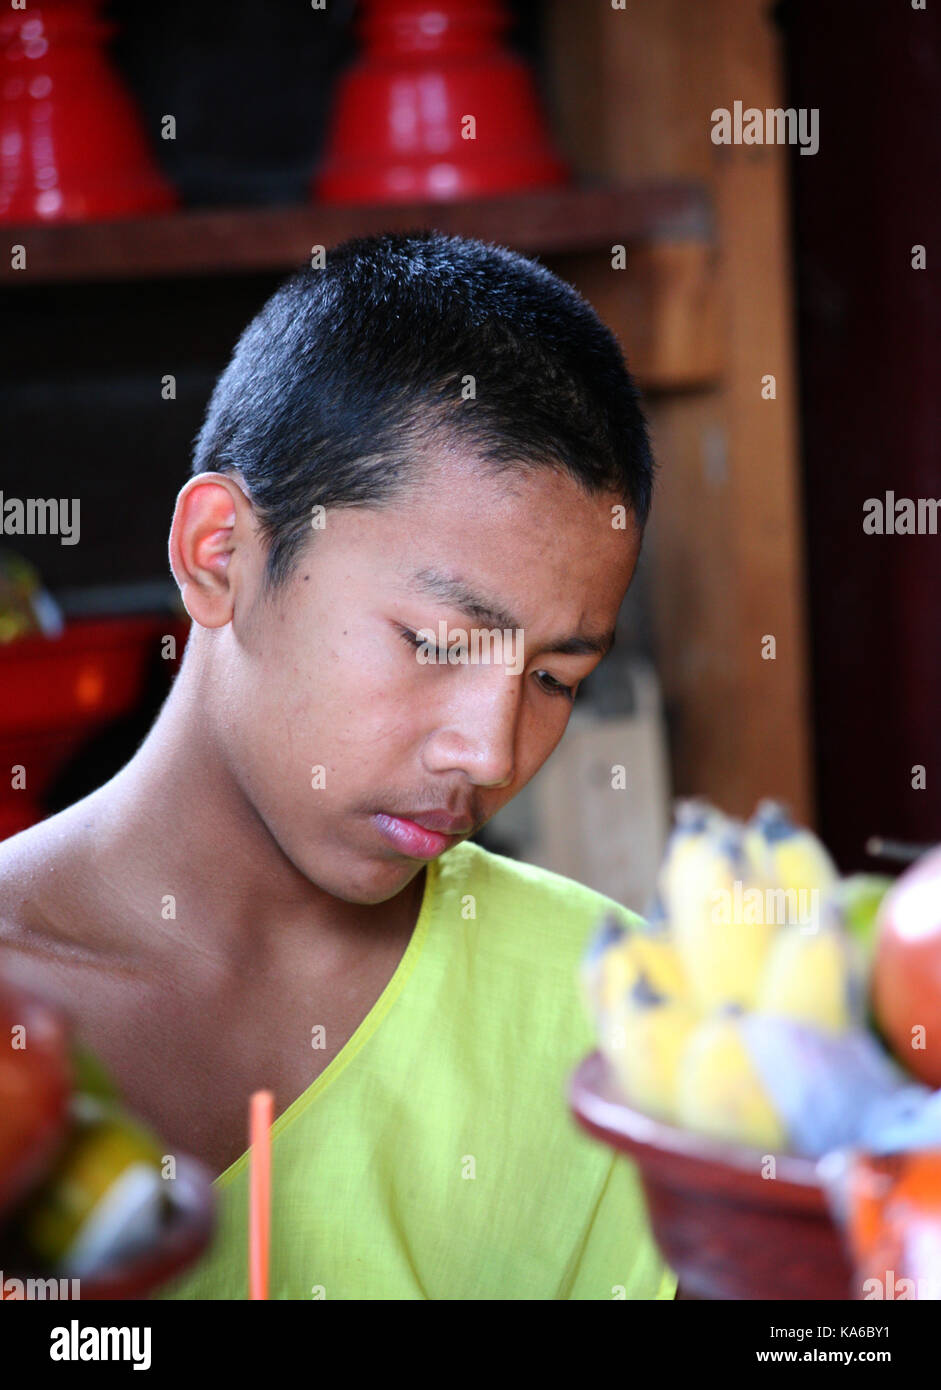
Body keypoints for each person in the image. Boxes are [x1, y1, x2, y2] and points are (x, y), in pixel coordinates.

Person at [0, 230, 677, 1300]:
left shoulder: (622, 1023)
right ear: (221, 552)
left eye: (553, 678)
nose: (488, 753)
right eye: (436, 643)